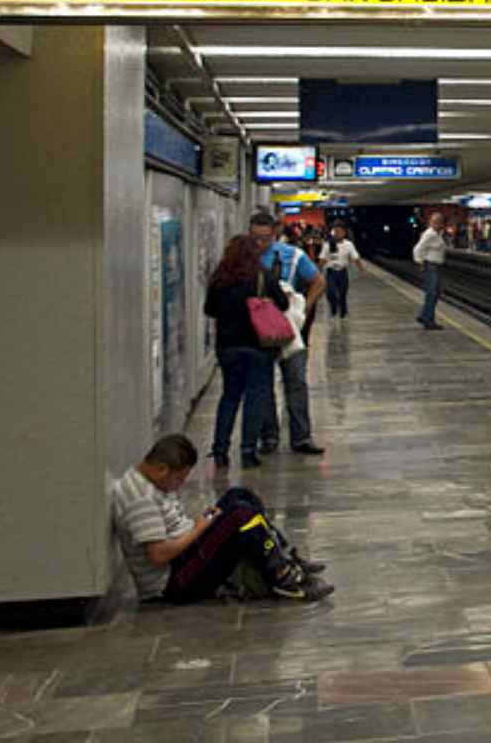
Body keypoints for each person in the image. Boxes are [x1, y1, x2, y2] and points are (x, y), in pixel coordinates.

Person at [111, 434, 332, 603]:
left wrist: (202, 525)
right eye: (179, 479)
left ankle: (283, 557)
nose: (179, 485)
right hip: (174, 582)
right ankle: (283, 578)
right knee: (241, 516)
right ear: (161, 469)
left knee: (240, 495)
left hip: (185, 553)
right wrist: (198, 529)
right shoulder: (140, 500)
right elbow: (158, 555)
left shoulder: (148, 482)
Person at [202, 234, 288, 469]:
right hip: (258, 346)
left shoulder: (219, 279)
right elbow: (283, 304)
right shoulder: (262, 276)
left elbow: (209, 309)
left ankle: (220, 450)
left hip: (228, 347)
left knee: (229, 397)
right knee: (255, 398)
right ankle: (248, 450)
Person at [249, 212, 326, 458]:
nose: (260, 244)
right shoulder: (244, 258)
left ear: (275, 234)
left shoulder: (292, 256)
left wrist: (304, 308)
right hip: (257, 332)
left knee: (296, 382)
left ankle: (301, 437)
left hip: (289, 331)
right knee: (263, 385)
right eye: (255, 238)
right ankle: (268, 436)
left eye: (265, 238)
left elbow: (318, 280)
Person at [413, 212, 448, 330]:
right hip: (431, 266)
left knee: (434, 293)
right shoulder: (430, 234)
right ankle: (428, 321)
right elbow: (418, 249)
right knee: (432, 293)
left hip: (435, 267)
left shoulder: (437, 234)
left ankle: (424, 316)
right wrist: (420, 262)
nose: (439, 224)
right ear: (432, 222)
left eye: (440, 221)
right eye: (437, 221)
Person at [320, 223, 361, 320]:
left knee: (343, 293)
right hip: (331, 272)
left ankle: (343, 311)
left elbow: (355, 256)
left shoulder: (349, 244)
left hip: (343, 271)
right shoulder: (327, 244)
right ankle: (333, 308)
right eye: (335, 231)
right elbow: (322, 258)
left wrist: (361, 269)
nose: (337, 233)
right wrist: (318, 270)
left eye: (339, 231)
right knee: (330, 292)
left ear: (344, 233)